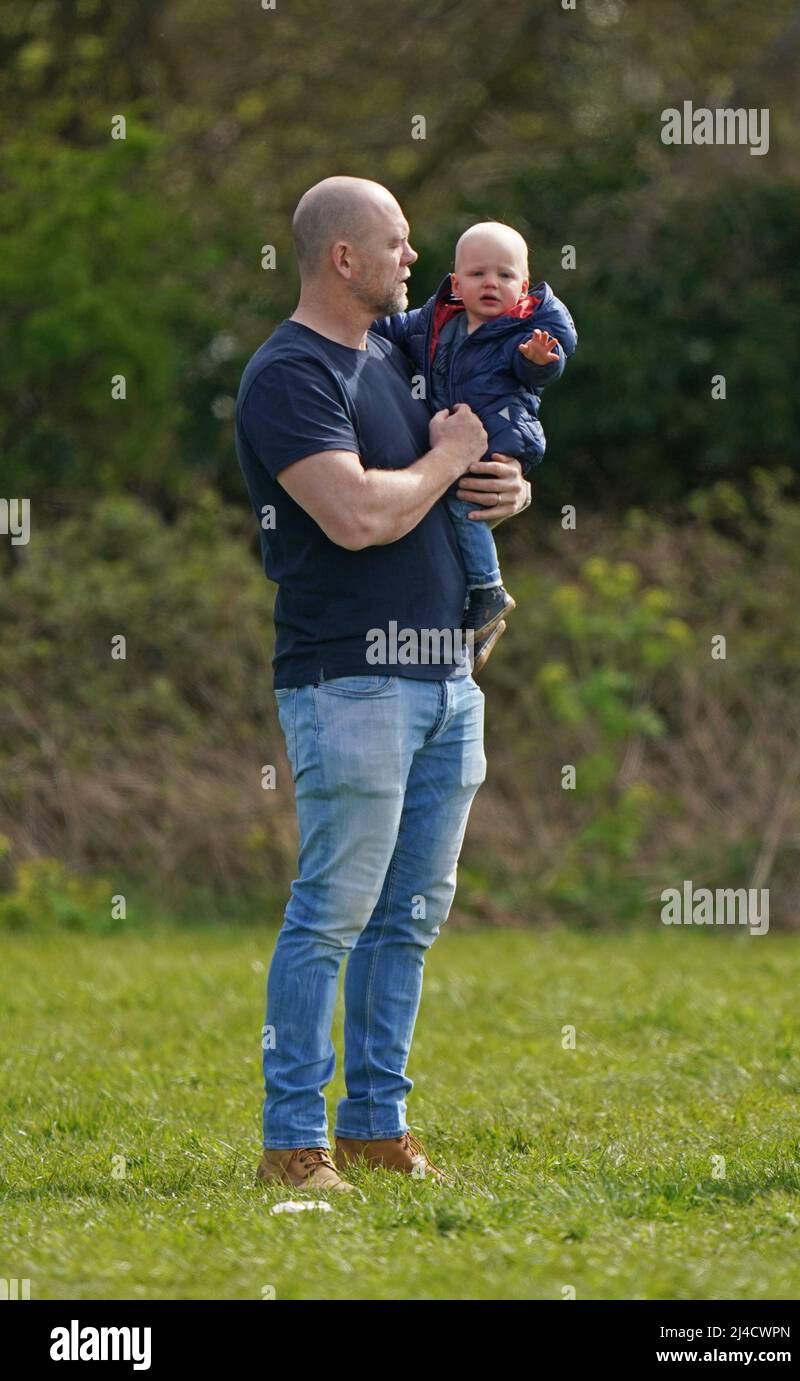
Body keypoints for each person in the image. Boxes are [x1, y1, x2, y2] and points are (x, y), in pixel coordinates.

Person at [235, 176, 532, 1193]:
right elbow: (357, 514)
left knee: (407, 915)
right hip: (350, 682)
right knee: (332, 912)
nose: (417, 259)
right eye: (399, 244)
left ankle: (374, 1127)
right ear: (343, 259)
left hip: (446, 681)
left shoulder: (400, 352)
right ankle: (292, 1145)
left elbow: (481, 420)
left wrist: (506, 477)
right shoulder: (287, 374)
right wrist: (451, 457)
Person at [373, 221, 577, 671]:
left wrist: (539, 361)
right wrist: (367, 319)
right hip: (459, 433)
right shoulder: (437, 321)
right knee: (455, 512)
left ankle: (487, 589)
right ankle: (474, 611)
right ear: (456, 282)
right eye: (478, 274)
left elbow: (538, 370)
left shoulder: (517, 331)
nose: (491, 284)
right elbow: (398, 329)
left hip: (500, 430)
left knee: (463, 503)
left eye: (505, 276)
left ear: (523, 287)